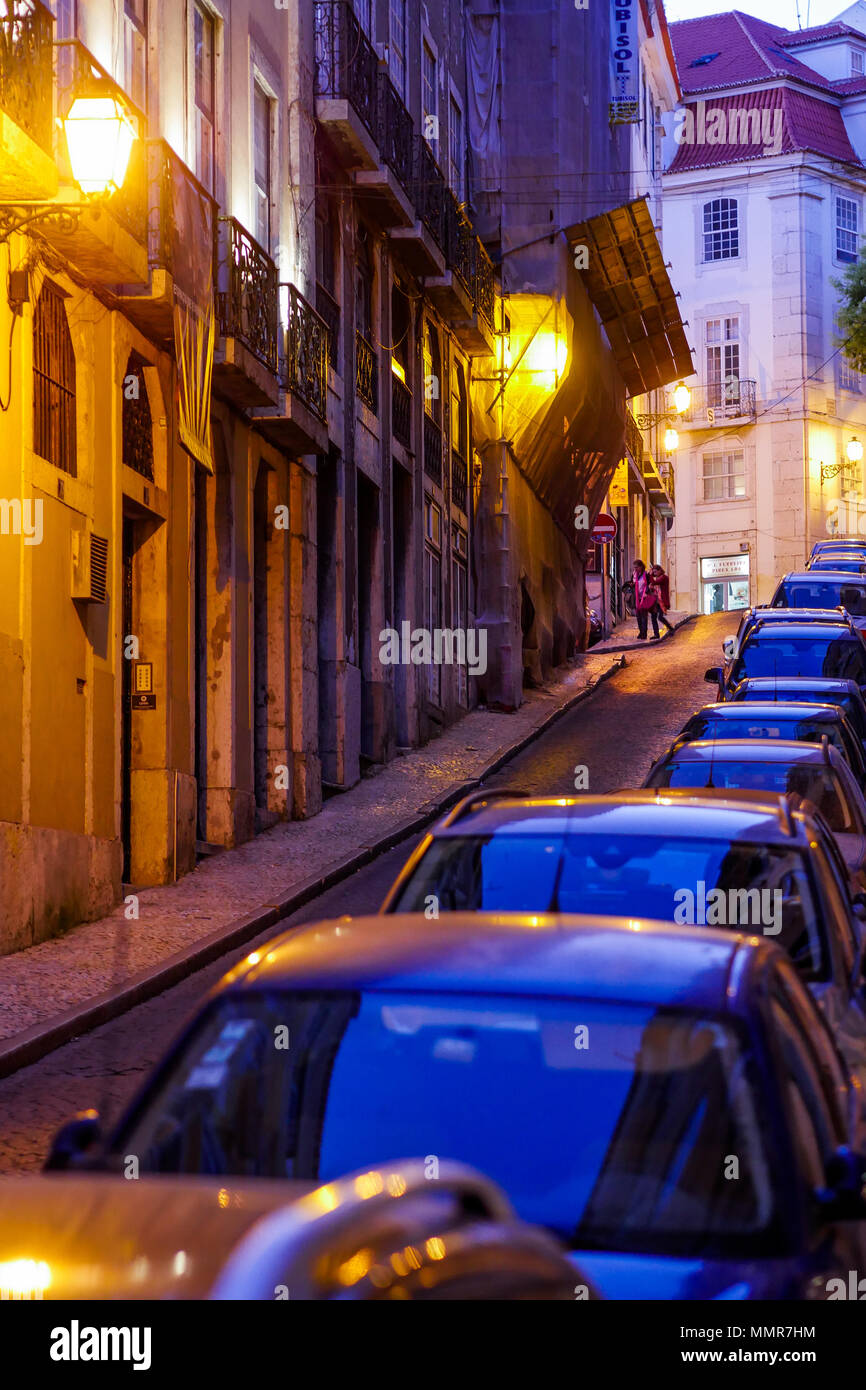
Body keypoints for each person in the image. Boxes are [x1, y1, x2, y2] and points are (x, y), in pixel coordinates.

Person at [633, 560, 660, 640]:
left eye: (636, 567)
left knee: (645, 616)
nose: (635, 569)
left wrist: (647, 592)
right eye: (634, 567)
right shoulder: (635, 575)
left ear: (641, 567)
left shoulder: (646, 575)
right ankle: (641, 632)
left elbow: (651, 584)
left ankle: (645, 634)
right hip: (638, 598)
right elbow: (634, 583)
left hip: (646, 598)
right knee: (638, 616)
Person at [649, 563, 675, 636]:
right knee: (653, 617)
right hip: (657, 601)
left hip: (662, 601)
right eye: (653, 572)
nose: (654, 573)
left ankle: (671, 628)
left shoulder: (664, 578)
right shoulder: (658, 578)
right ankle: (656, 634)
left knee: (660, 617)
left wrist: (650, 574)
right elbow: (655, 587)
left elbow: (654, 582)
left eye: (655, 572)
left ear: (660, 570)